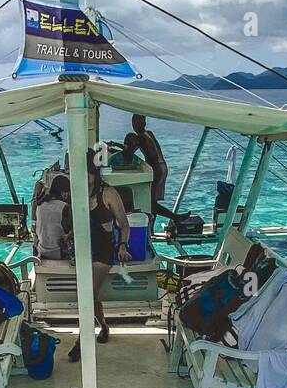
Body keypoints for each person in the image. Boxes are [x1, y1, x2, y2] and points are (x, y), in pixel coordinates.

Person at [68, 158, 131, 362]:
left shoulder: (108, 193)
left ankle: (80, 341)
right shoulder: (76, 193)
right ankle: (103, 325)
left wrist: (122, 246)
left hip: (103, 249)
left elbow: (124, 224)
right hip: (82, 249)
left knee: (87, 294)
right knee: (90, 296)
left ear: (95, 174)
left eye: (88, 174)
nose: (85, 179)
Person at [131, 114, 189, 227]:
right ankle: (152, 227)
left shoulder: (140, 137)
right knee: (153, 201)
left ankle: (175, 217)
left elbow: (128, 150)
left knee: (151, 203)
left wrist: (113, 147)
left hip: (156, 169)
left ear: (142, 123)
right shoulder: (149, 133)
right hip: (162, 167)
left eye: (135, 122)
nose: (134, 125)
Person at [34, 174, 72, 261]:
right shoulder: (64, 207)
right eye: (67, 191)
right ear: (62, 192)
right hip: (59, 253)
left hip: (41, 251)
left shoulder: (40, 205)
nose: (67, 194)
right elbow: (68, 230)